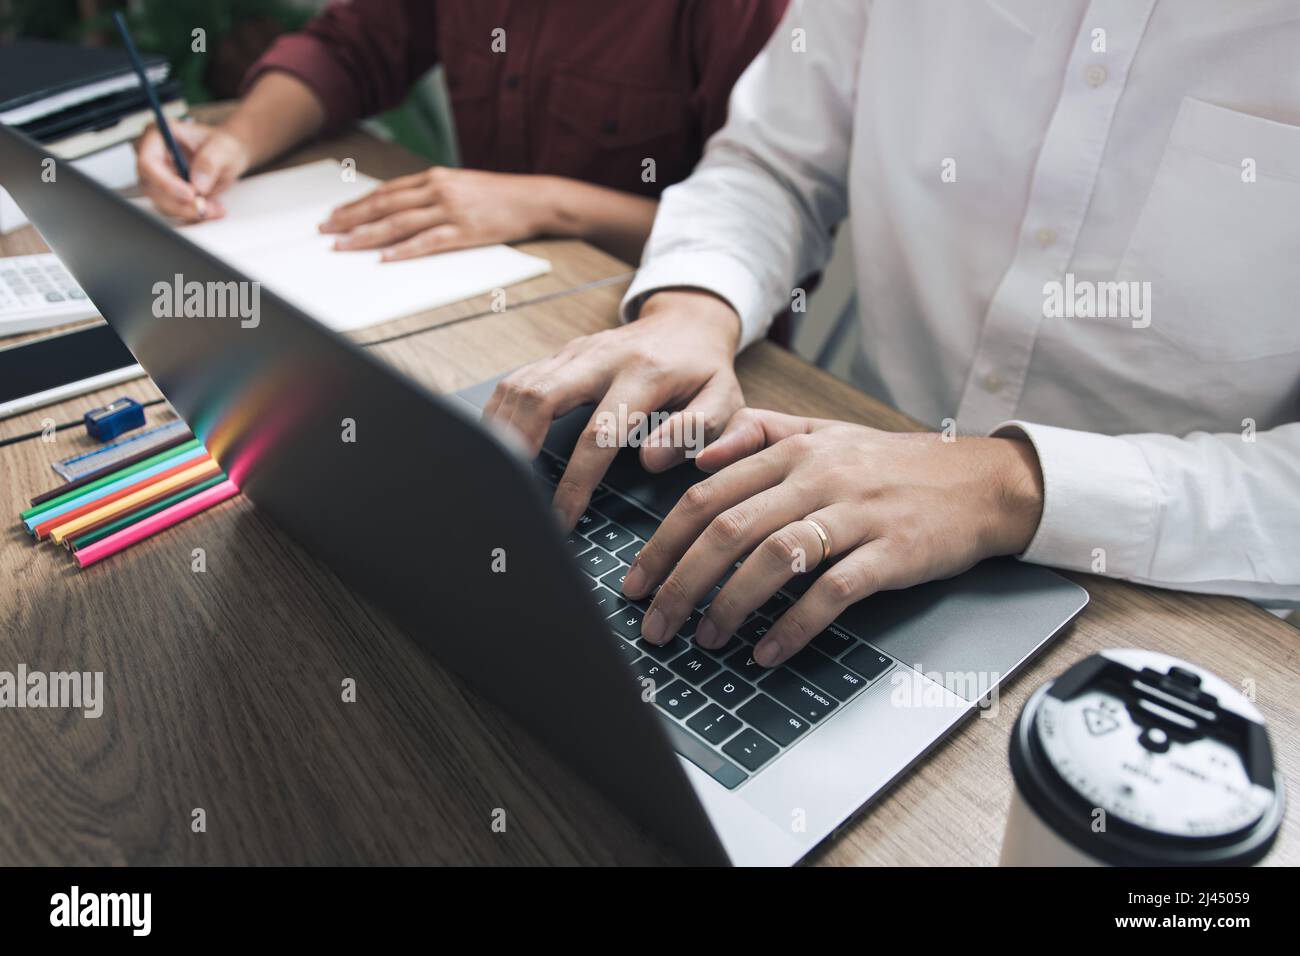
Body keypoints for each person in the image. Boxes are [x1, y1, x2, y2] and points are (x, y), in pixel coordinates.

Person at [484, 0, 1300, 668]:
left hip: (1167, 605)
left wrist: (1001, 484)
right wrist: (694, 304)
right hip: (831, 489)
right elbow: (773, 166)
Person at [135, 0, 786, 264]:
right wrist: (236, 140)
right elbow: (353, 49)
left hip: (660, 333)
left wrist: (545, 205)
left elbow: (767, 227)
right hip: (476, 288)